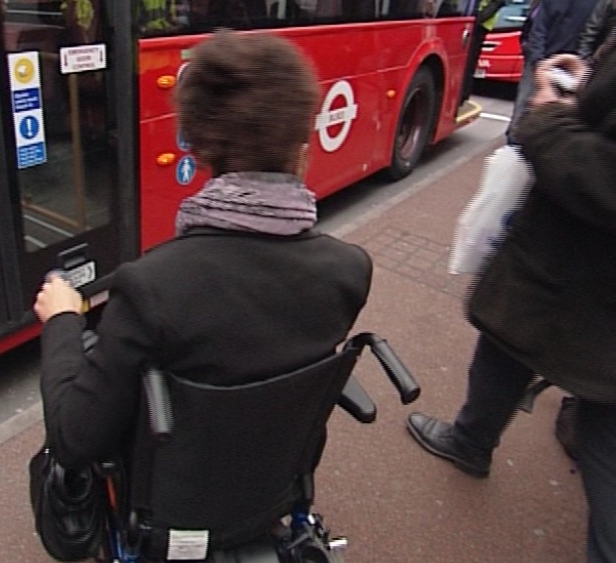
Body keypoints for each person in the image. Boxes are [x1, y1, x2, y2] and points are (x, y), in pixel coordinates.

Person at [34, 30, 371, 486]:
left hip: (169, 503)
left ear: (199, 150)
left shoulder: (150, 286)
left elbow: (74, 440)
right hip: (273, 484)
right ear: (302, 154)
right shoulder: (350, 270)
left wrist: (62, 322)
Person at [406, 0, 616, 559]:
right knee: (506, 339)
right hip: (589, 274)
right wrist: (587, 85)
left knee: (613, 422)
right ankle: (471, 440)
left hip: (605, 279)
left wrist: (548, 116)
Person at [506, 0, 600, 143]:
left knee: (558, 109)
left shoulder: (597, 4)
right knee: (526, 104)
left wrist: (579, 63)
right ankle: (514, 141)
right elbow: (538, 30)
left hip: (569, 66)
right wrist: (538, 61)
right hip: (545, 61)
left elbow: (593, 33)